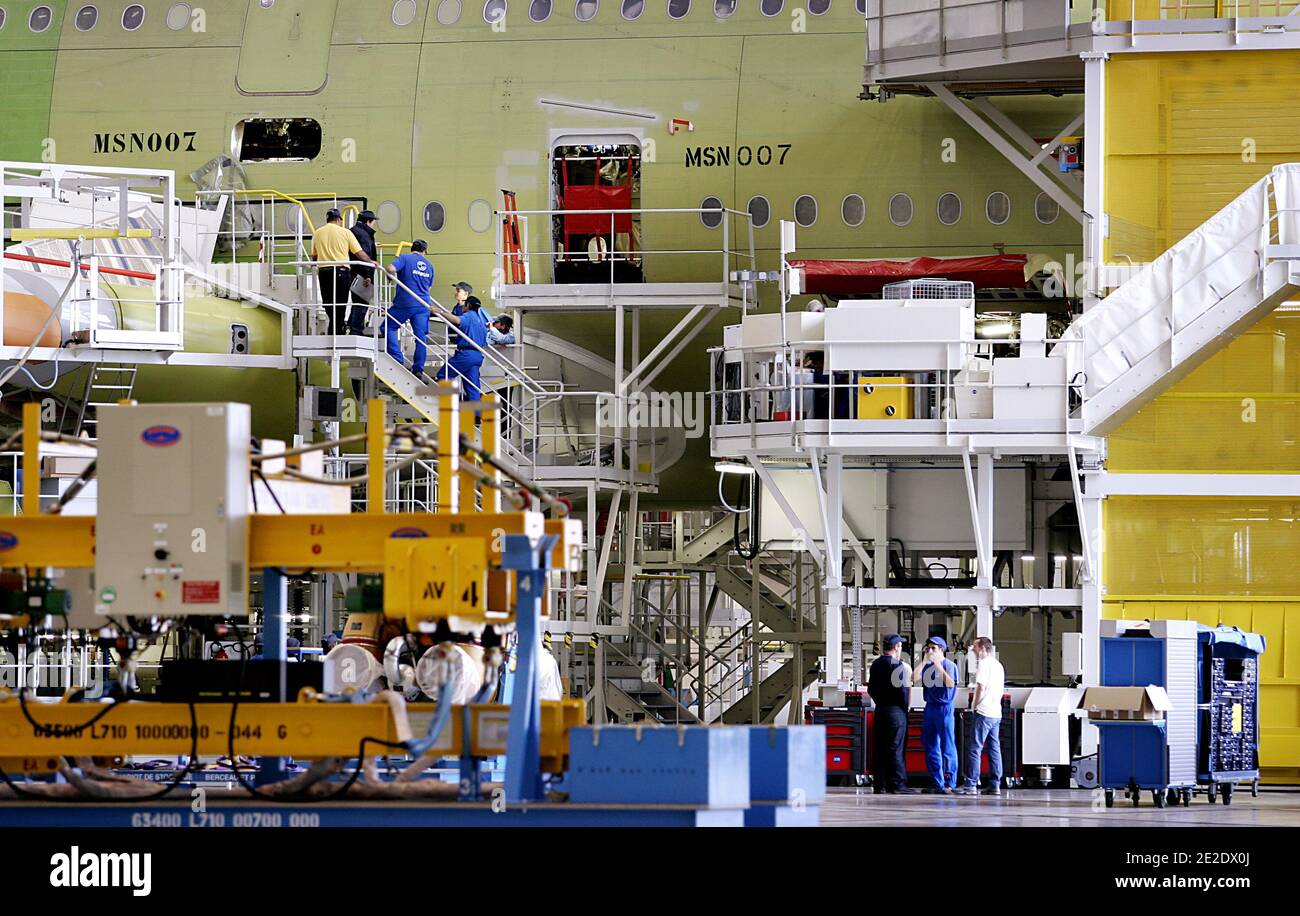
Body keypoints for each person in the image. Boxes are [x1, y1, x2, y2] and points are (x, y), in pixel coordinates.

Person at [956, 636, 1006, 796]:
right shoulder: (998, 665)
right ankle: (995, 785)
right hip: (996, 713)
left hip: (983, 712)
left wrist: (974, 706)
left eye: (975, 648)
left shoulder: (983, 664)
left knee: (974, 748)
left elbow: (980, 688)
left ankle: (970, 785)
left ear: (983, 648)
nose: (973, 650)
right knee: (994, 748)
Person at [311, 208, 373, 335]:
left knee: (328, 303)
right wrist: (371, 262)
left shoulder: (317, 233)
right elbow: (359, 253)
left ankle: (333, 329)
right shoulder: (345, 232)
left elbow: (314, 256)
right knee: (340, 303)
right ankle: (337, 331)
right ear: (339, 219)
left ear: (327, 219)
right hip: (341, 271)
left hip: (324, 271)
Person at [867, 634, 915, 795]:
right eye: (900, 646)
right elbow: (903, 691)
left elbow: (871, 689)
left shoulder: (875, 664)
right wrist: (904, 708)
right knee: (895, 747)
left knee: (879, 747)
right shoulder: (898, 666)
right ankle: (897, 785)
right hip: (896, 711)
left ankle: (879, 784)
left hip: (880, 710)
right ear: (896, 647)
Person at [383, 239, 435, 377]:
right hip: (423, 304)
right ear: (424, 251)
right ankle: (418, 369)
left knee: (388, 327)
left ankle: (397, 359)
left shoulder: (405, 258)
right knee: (421, 337)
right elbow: (428, 288)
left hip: (405, 302)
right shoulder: (429, 265)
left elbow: (390, 268)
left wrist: (390, 277)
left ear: (412, 248)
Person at [913, 636, 958, 794]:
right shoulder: (927, 667)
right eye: (928, 648)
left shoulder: (949, 665)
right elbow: (913, 677)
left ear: (941, 650)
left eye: (934, 648)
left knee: (947, 746)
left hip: (944, 708)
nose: (930, 651)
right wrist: (925, 661)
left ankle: (949, 782)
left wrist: (938, 665)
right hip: (930, 707)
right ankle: (937, 782)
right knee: (931, 745)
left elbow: (951, 683)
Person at [434, 294, 490, 402]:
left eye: (464, 304)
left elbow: (456, 320)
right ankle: (477, 416)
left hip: (466, 354)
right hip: (478, 356)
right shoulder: (481, 321)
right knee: (472, 388)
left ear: (468, 305)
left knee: (443, 375)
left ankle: (451, 401)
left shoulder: (469, 316)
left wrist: (439, 312)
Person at [347, 209, 379, 333]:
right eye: (373, 221)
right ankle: (356, 330)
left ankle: (350, 326)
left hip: (350, 271)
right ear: (368, 221)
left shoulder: (352, 231)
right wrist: (368, 275)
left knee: (356, 301)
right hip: (361, 273)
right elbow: (365, 254)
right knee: (362, 302)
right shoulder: (364, 234)